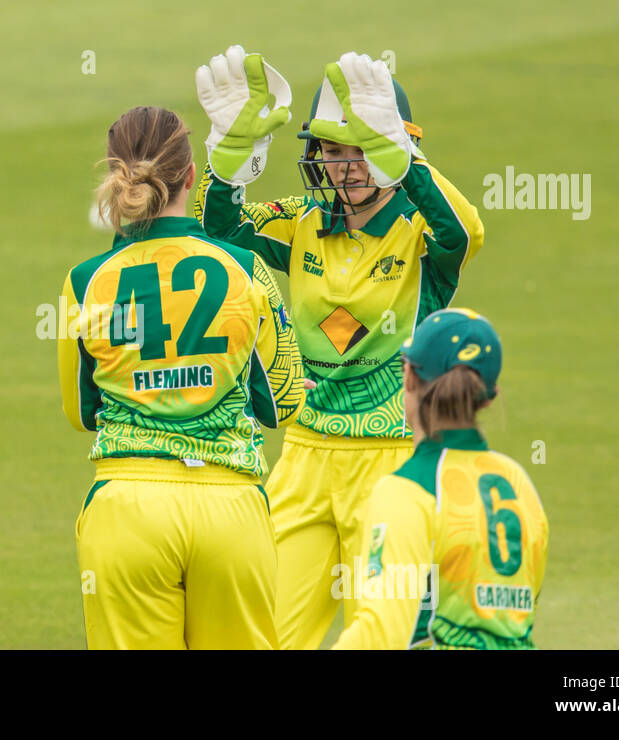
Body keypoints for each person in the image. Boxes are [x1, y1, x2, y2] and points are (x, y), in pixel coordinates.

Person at [193, 47, 487, 649]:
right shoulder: (304, 220)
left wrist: (408, 165)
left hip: (390, 459)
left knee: (378, 636)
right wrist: (226, 168)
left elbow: (467, 230)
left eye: (361, 151)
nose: (346, 167)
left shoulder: (420, 229)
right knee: (260, 633)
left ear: (394, 149)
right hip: (304, 456)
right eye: (332, 151)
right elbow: (218, 234)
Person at [58, 105, 306, 649]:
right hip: (231, 513)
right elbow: (281, 405)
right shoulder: (245, 266)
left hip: (127, 513)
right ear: (191, 177)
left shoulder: (85, 281)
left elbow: (82, 412)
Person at [333, 308, 548, 649]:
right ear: (487, 397)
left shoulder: (406, 491)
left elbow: (380, 632)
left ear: (409, 378)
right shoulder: (519, 482)